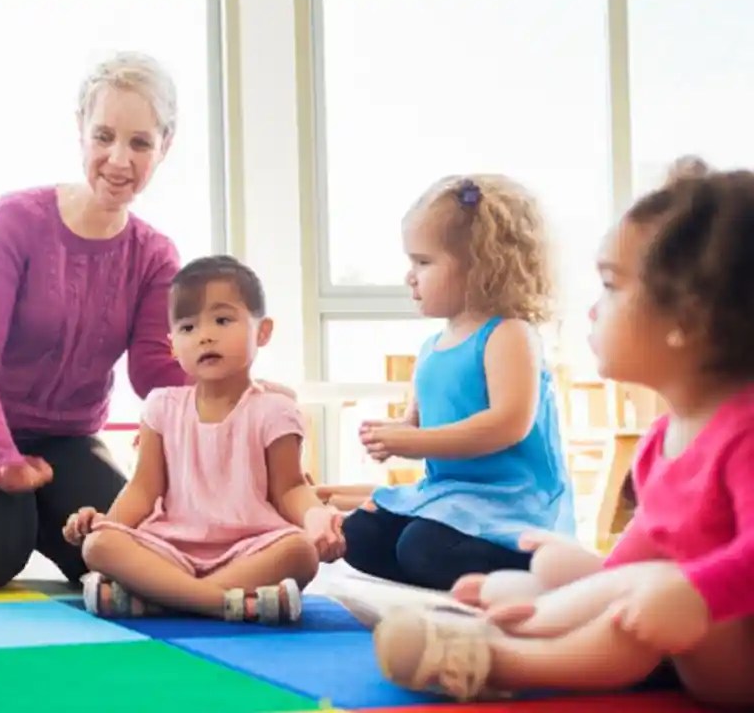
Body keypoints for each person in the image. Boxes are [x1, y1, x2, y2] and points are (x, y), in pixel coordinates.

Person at [372, 158, 754, 708]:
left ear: (686, 318)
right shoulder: (665, 437)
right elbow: (645, 547)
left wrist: (693, 592)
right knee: (547, 571)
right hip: (678, 629)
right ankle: (514, 617)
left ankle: (503, 660)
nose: (594, 312)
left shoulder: (744, 434)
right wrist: (573, 586)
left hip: (731, 652)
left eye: (612, 286)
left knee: (641, 586)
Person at [0, 51, 191, 591]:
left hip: (66, 442)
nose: (118, 159)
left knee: (139, 558)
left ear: (164, 147)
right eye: (103, 136)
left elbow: (153, 373)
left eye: (140, 143)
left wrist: (232, 395)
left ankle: (30, 511)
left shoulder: (155, 255)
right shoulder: (16, 220)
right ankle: (7, 511)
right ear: (80, 129)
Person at [64, 256, 345, 622]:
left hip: (250, 548)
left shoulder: (275, 410)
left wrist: (316, 518)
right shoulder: (161, 407)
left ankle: (160, 599)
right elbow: (143, 489)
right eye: (187, 327)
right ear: (172, 345)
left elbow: (290, 488)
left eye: (223, 320)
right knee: (99, 545)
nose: (205, 335)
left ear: (262, 331)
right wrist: (109, 524)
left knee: (301, 552)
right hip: (170, 546)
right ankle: (219, 602)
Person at [340, 175, 574, 591]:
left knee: (424, 548)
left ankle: (539, 567)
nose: (410, 277)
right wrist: (395, 434)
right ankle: (442, 565)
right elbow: (418, 423)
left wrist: (414, 442)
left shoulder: (508, 334)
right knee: (359, 534)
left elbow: (508, 424)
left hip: (510, 503)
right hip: (449, 498)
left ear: (481, 267)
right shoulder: (432, 346)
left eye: (423, 263)